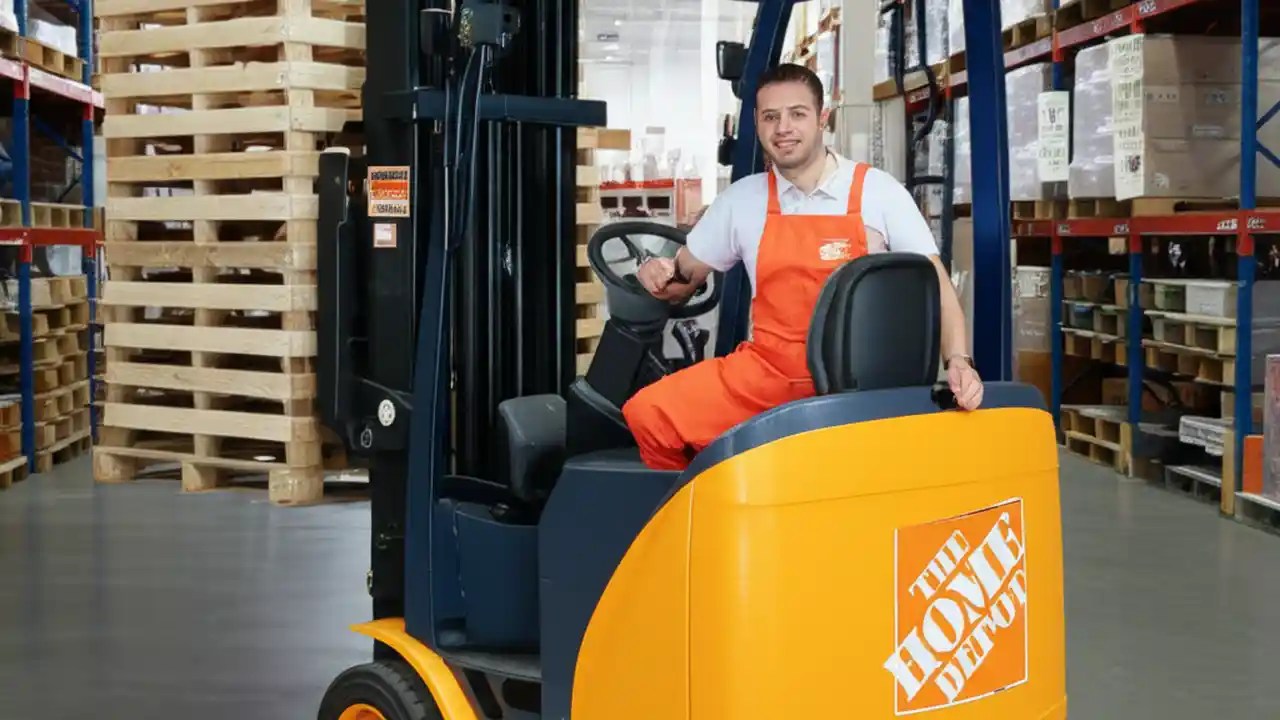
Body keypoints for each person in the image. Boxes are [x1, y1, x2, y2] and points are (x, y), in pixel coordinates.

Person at [620, 63, 983, 471]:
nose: (783, 128)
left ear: (822, 118)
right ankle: (706, 522)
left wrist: (958, 361)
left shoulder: (878, 193)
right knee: (649, 415)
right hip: (766, 378)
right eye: (770, 117)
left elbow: (937, 285)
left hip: (855, 385)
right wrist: (655, 270)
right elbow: (682, 280)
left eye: (797, 114)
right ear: (756, 124)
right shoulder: (742, 201)